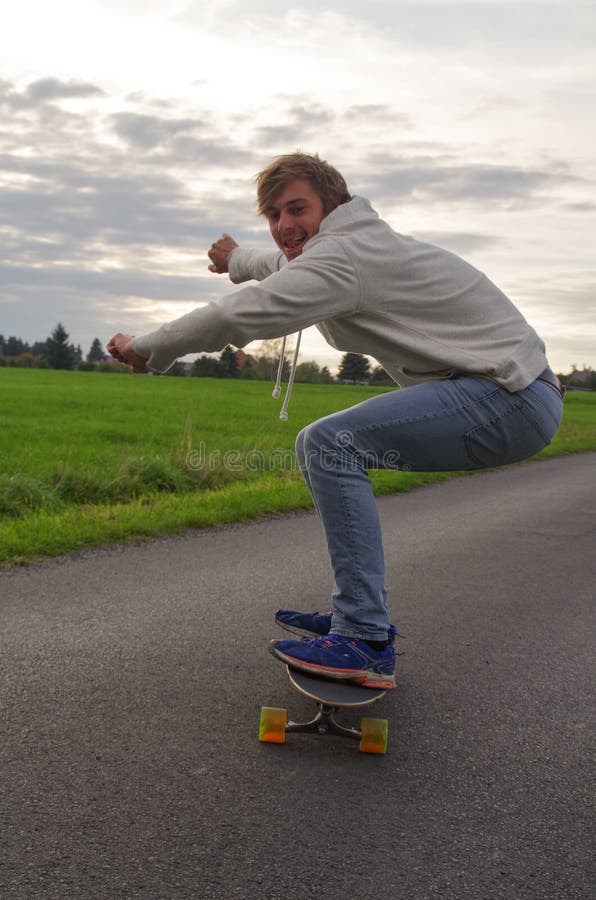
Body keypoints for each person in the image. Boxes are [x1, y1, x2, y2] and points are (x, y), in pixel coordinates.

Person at [108, 152, 564, 690]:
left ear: (334, 204)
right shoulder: (346, 246)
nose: (284, 226)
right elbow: (279, 266)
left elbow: (242, 313)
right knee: (326, 445)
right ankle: (358, 616)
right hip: (508, 393)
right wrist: (236, 259)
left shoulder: (345, 256)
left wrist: (147, 348)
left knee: (328, 444)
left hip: (509, 396)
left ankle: (363, 635)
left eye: (296, 208)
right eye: (274, 215)